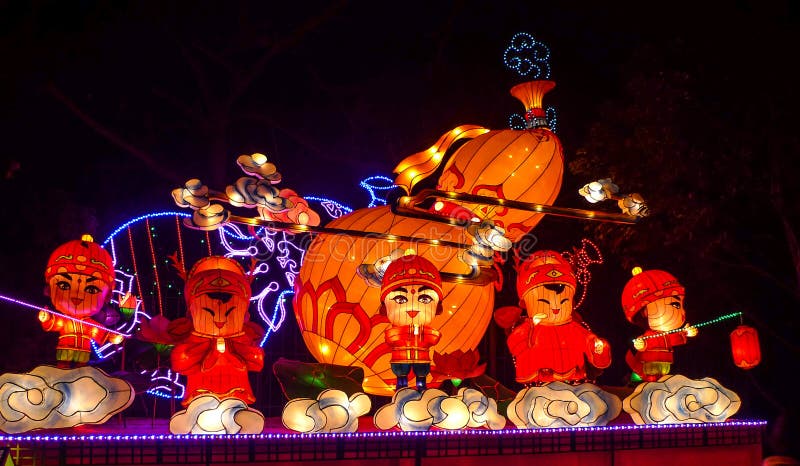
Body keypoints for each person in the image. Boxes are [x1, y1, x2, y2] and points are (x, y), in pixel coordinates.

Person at [168, 256, 264, 406]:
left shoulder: (243, 340)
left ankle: (237, 414)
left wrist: (235, 349)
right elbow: (179, 362)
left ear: (244, 314)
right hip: (200, 391)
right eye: (208, 311)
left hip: (237, 389)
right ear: (192, 312)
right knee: (202, 407)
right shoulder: (192, 341)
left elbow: (257, 360)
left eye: (230, 312)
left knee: (236, 405)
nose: (220, 320)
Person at [505, 250, 611, 385]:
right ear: (526, 303)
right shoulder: (527, 328)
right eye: (545, 302)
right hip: (539, 381)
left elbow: (589, 341)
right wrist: (532, 327)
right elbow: (514, 345)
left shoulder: (574, 328)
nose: (555, 307)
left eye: (563, 301)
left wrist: (597, 346)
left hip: (574, 378)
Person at [40, 234, 123, 368]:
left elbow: (98, 331)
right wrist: (47, 318)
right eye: (64, 286)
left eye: (91, 289)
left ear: (106, 296)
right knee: (63, 367)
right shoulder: (64, 319)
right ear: (50, 289)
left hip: (84, 350)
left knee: (81, 370)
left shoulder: (88, 324)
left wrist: (111, 337)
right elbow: (55, 322)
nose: (77, 294)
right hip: (65, 347)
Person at [621, 267, 697, 382]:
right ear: (644, 312)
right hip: (650, 364)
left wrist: (687, 332)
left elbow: (676, 338)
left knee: (663, 379)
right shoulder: (650, 335)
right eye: (676, 305)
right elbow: (644, 343)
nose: (682, 313)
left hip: (665, 364)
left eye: (681, 306)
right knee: (651, 378)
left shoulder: (666, 335)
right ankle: (643, 380)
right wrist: (640, 344)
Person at [380, 254, 443, 392]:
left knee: (421, 377)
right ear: (385, 306)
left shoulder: (426, 331)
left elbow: (434, 339)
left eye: (425, 299)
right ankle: (401, 392)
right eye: (400, 299)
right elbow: (390, 339)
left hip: (422, 357)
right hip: (400, 358)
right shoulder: (394, 332)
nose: (412, 307)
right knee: (401, 378)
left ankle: (422, 392)